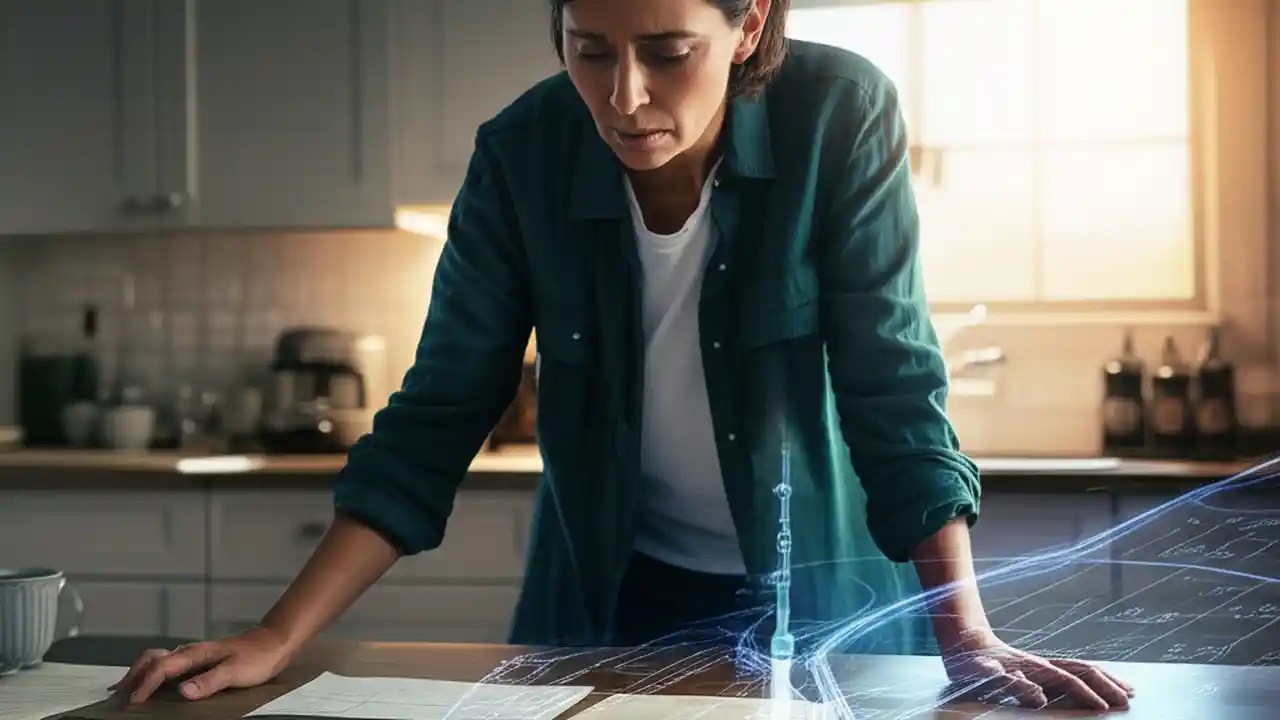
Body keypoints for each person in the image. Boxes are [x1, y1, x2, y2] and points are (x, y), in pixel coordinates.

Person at [111, 0, 1135, 711]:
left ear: (747, 26)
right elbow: (438, 413)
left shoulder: (838, 114)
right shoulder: (520, 153)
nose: (625, 96)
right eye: (589, 51)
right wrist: (278, 636)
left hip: (825, 601)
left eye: (666, 51)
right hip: (607, 600)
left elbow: (891, 385)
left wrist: (966, 634)